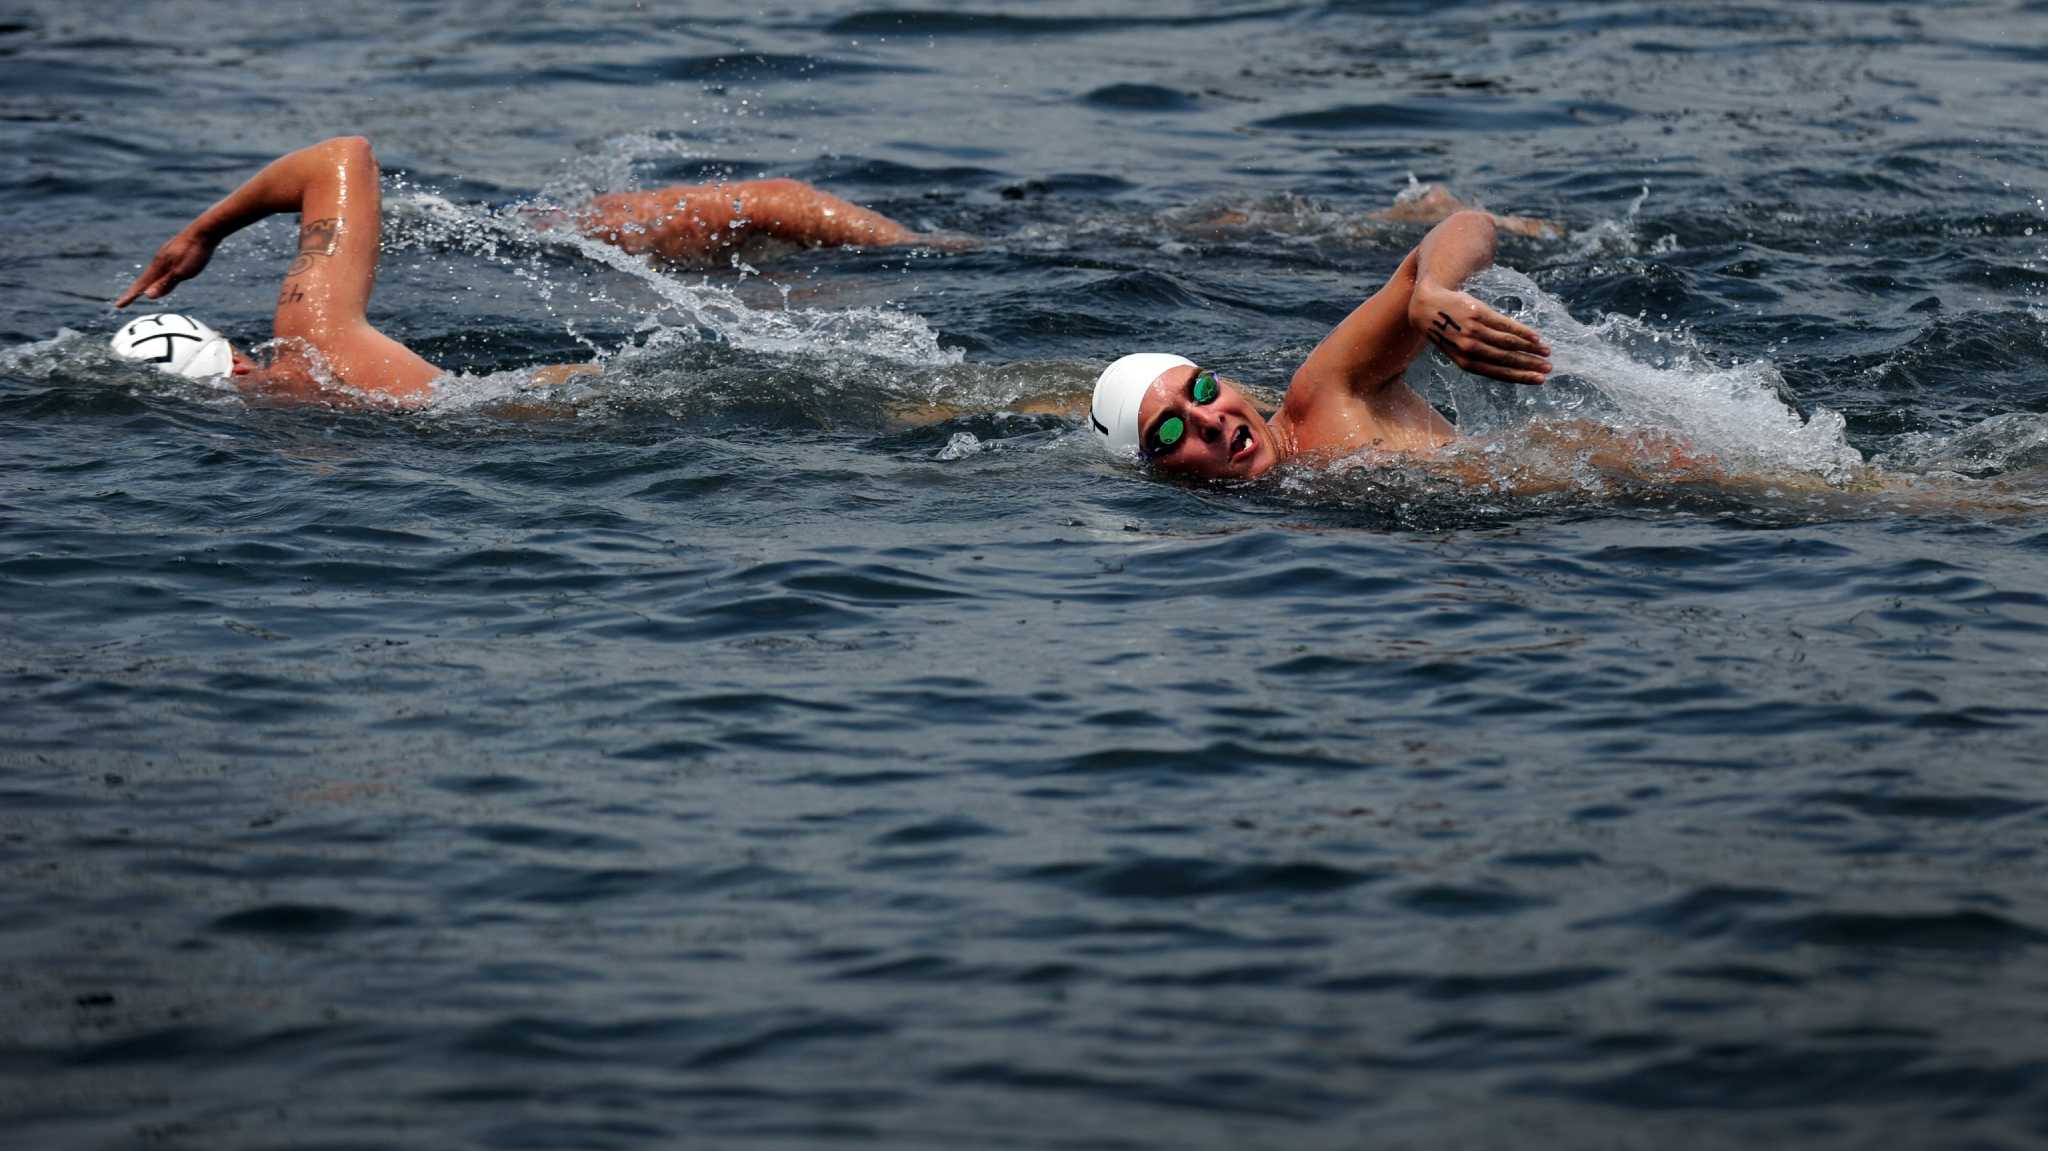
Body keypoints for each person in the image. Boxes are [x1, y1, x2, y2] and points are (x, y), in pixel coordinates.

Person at [110, 135, 943, 402]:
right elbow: (341, 155)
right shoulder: (316, 338)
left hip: (544, 428)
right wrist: (203, 234)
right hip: (590, 399)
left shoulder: (302, 448)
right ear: (234, 356)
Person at [1089, 206, 1554, 479]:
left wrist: (1432, 291)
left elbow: (1469, 224)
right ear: (1155, 470)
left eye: (1203, 389)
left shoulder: (1327, 392)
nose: (1210, 421)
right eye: (1170, 432)